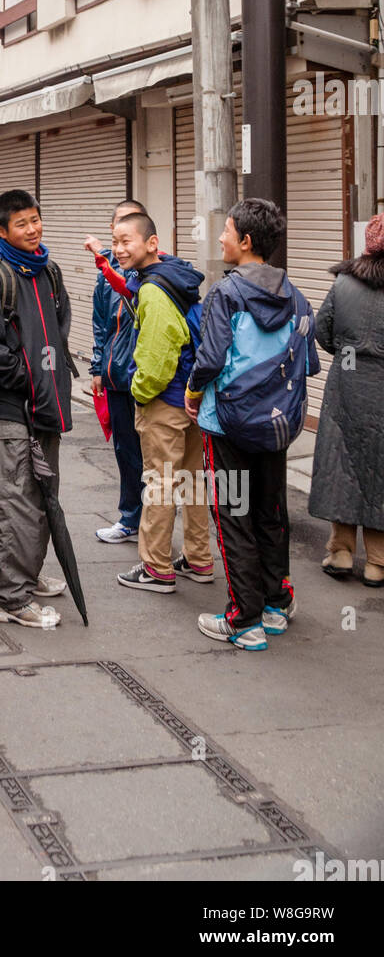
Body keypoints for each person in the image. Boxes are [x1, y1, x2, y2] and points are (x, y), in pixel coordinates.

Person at [185, 199, 320, 650]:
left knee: (233, 516)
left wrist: (191, 393)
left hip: (228, 424)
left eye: (225, 231)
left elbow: (210, 359)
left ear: (245, 242)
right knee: (271, 512)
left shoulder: (227, 293)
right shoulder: (296, 295)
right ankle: (276, 604)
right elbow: (310, 363)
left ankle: (244, 620)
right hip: (278, 424)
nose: (219, 238)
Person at [0, 190, 71, 629]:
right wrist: (27, 379)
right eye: (22, 224)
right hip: (10, 410)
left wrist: (51, 380)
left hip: (47, 408)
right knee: (15, 503)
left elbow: (61, 327)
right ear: (4, 231)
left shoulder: (48, 271)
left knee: (44, 498)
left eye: (36, 220)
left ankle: (24, 576)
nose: (33, 229)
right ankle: (9, 598)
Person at [109, 211, 212, 595]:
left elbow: (156, 356)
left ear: (152, 243)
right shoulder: (177, 275)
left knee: (160, 483)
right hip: (191, 399)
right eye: (115, 241)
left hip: (164, 403)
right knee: (192, 481)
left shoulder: (153, 289)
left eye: (126, 241)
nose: (118, 249)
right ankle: (199, 559)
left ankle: (156, 567)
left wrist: (139, 390)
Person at [308, 214, 384, 587]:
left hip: (346, 382)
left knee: (344, 464)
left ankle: (339, 552)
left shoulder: (344, 283)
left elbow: (323, 331)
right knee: (379, 468)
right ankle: (377, 562)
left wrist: (347, 352)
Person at [85, 201, 150, 544]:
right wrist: (97, 367)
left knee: (151, 456)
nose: (122, 243)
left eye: (129, 230)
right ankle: (129, 517)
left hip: (145, 379)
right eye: (117, 232)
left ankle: (151, 525)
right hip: (116, 376)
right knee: (126, 452)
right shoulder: (105, 276)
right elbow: (100, 324)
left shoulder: (152, 275)